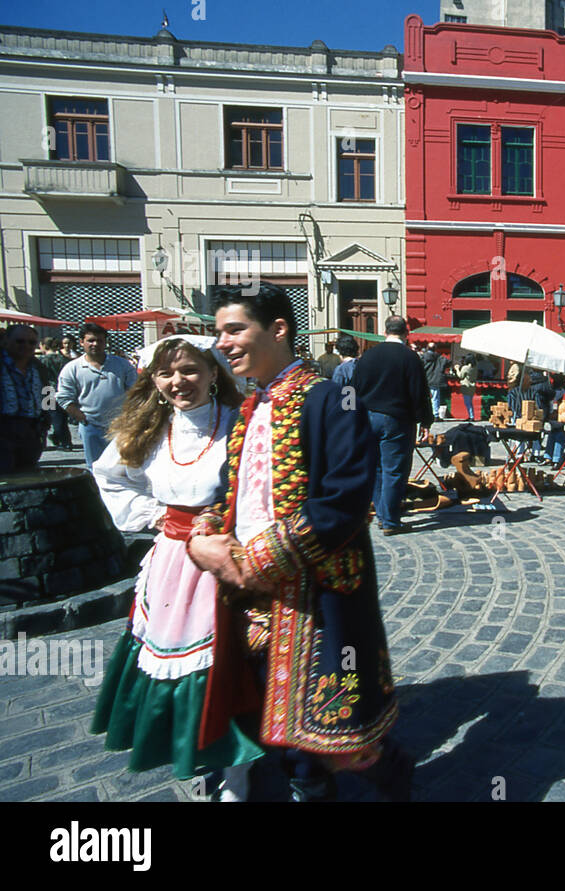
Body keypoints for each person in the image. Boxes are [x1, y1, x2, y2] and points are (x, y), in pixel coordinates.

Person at [188, 282, 409, 802]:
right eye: (219, 332)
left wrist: (258, 560)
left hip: (319, 592)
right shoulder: (248, 408)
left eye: (235, 329)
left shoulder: (331, 398)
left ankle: (381, 776)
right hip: (253, 596)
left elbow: (343, 500)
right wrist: (206, 537)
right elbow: (233, 490)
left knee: (338, 720)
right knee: (271, 705)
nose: (223, 342)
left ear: (279, 330)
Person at [89, 335, 263, 793]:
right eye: (166, 373)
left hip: (228, 559)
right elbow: (109, 476)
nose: (177, 382)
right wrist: (157, 515)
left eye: (188, 370)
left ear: (212, 372)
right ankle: (195, 750)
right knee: (184, 668)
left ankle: (237, 769)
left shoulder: (240, 422)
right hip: (172, 564)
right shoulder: (146, 429)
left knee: (230, 665)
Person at [351, 316, 434, 536]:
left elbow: (350, 388)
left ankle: (382, 513)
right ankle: (389, 520)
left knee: (376, 468)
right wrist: (425, 420)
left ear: (385, 331)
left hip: (366, 418)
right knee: (394, 470)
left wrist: (347, 415)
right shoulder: (410, 357)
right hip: (396, 420)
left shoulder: (367, 355)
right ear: (406, 333)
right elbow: (419, 392)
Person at [57, 322, 137, 470]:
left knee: (122, 466)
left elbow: (136, 390)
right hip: (90, 426)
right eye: (91, 340)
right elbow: (63, 397)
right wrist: (80, 416)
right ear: (81, 342)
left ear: (105, 342)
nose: (95, 344)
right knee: (95, 466)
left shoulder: (122, 365)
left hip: (119, 425)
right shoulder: (72, 368)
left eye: (100, 340)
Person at [1, 324, 51, 473]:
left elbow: (48, 393)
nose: (26, 346)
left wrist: (46, 420)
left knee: (27, 474)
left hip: (31, 430)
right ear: (6, 341)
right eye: (20, 341)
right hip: (4, 429)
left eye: (31, 342)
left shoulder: (39, 367)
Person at [38, 336, 73, 450]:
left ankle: (60, 439)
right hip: (62, 389)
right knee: (61, 416)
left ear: (44, 346)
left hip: (47, 391)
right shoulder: (63, 359)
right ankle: (64, 439)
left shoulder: (42, 360)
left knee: (52, 416)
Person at [421, 344, 451, 421]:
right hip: (435, 380)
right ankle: (435, 415)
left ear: (427, 348)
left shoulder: (423, 357)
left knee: (423, 398)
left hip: (425, 380)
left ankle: (424, 414)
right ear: (435, 349)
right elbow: (448, 362)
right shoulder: (440, 357)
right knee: (435, 398)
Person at [455, 353, 479, 420]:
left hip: (466, 386)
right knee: (470, 402)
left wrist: (457, 369)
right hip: (472, 386)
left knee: (467, 403)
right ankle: (471, 415)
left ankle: (471, 416)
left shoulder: (465, 368)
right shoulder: (475, 367)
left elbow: (460, 376)